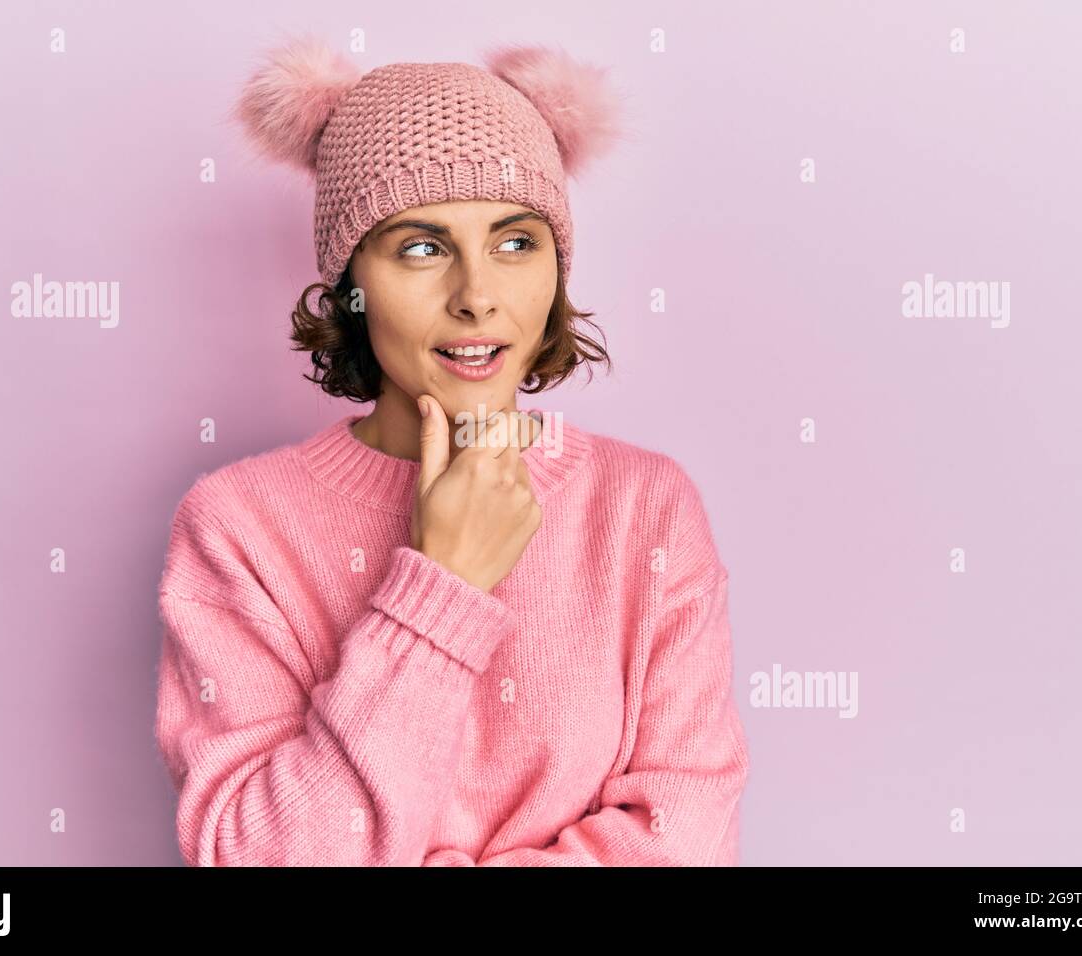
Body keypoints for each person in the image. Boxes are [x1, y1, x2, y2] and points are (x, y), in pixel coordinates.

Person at [153, 34, 750, 866]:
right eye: (422, 248)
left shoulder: (646, 507)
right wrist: (443, 588)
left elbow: (682, 837)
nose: (478, 297)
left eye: (515, 242)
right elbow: (262, 854)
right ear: (351, 285)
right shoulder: (238, 527)